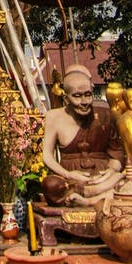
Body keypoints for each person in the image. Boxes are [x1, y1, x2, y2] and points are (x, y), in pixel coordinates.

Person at [42, 70, 124, 206]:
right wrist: (68, 175)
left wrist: (112, 170)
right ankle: (94, 196)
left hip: (103, 179)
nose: (84, 101)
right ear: (66, 98)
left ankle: (88, 200)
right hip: (71, 179)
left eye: (88, 95)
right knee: (50, 185)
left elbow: (116, 152)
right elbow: (47, 156)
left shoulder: (104, 115)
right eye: (77, 96)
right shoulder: (54, 117)